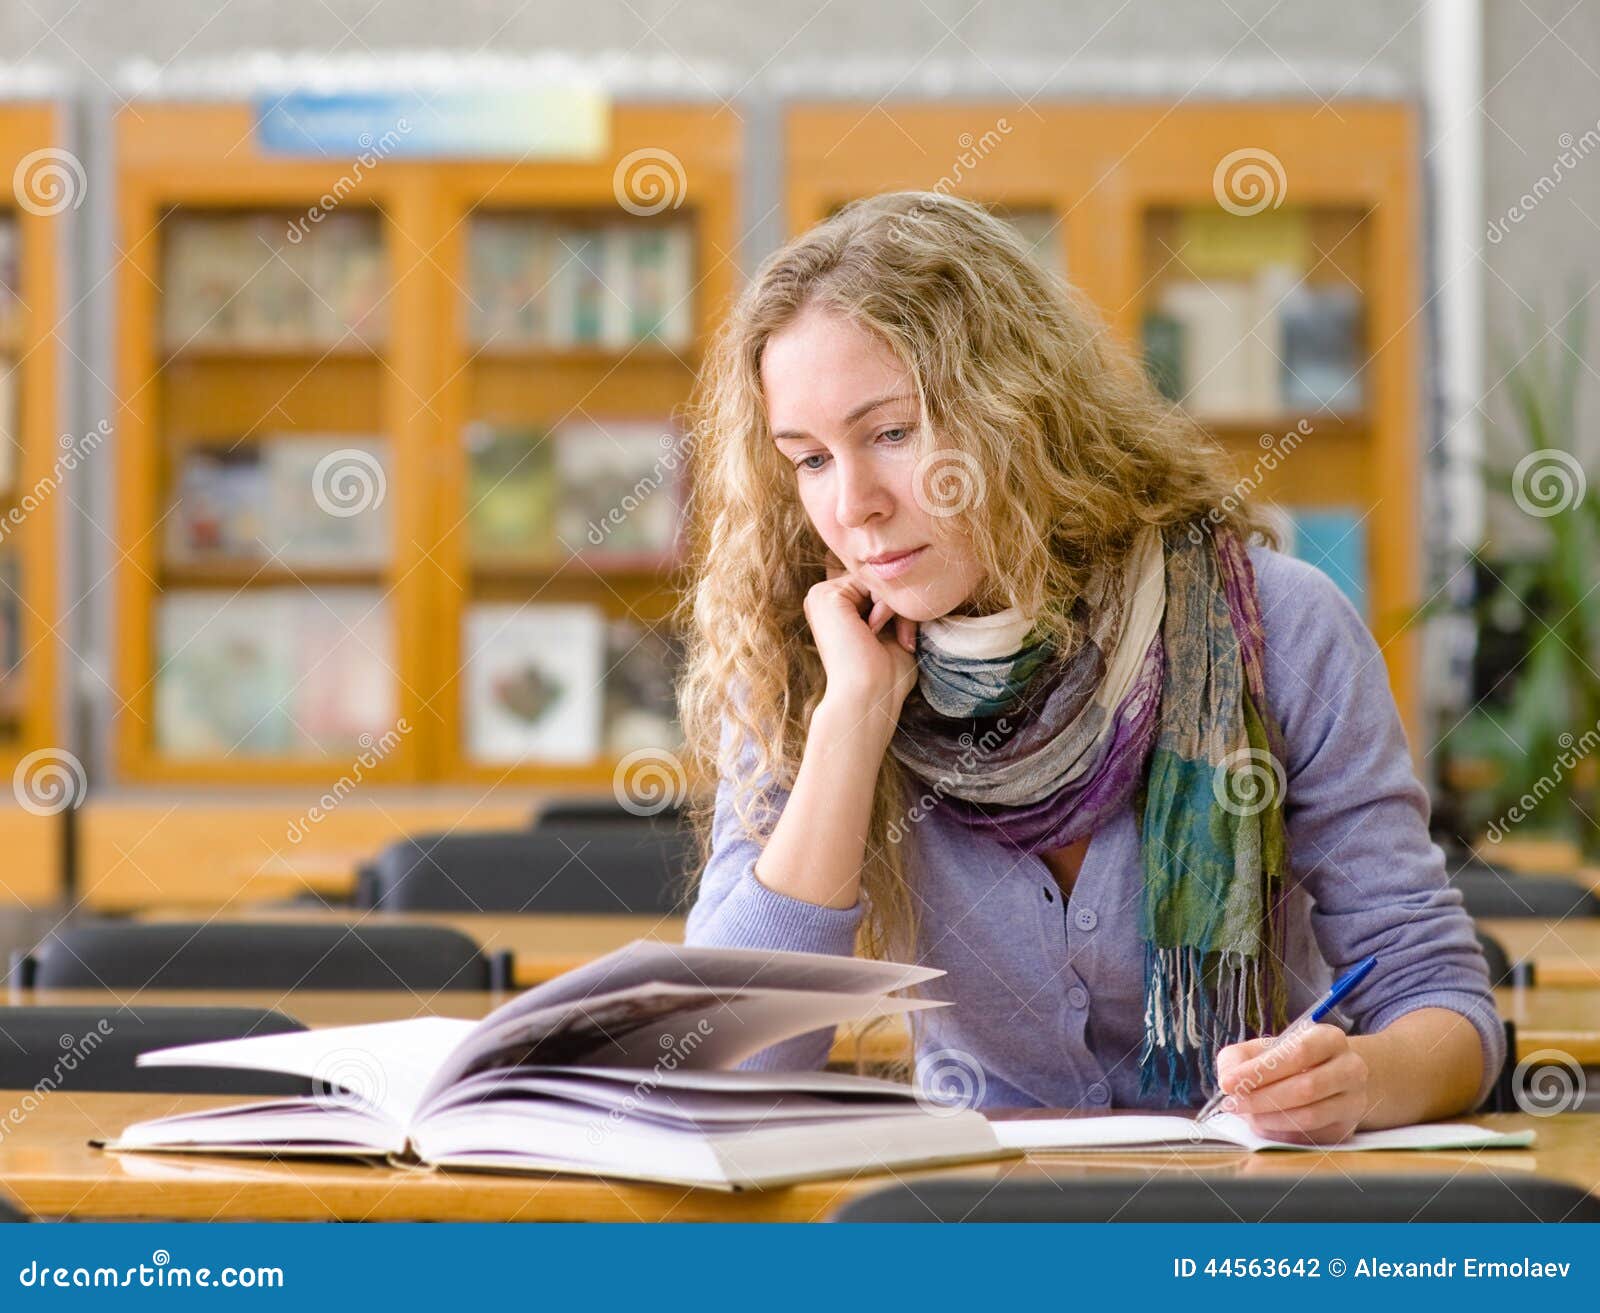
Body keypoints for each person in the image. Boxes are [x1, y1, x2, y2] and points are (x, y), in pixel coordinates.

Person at [673, 190, 1501, 1143]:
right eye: (810, 459)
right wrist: (852, 722)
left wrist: (1361, 1079)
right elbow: (730, 1057)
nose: (853, 503)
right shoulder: (808, 664)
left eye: (893, 433)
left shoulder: (1279, 621)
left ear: (1017, 410)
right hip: (976, 1224)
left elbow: (1440, 1000)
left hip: (1241, 1220)